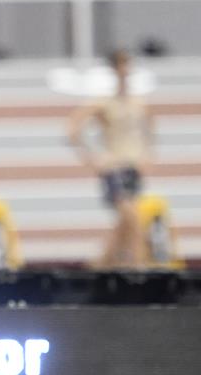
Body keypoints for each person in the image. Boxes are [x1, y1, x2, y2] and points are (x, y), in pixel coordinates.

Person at [67, 48, 157, 267]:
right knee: (133, 219)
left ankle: (99, 266)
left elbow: (149, 130)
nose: (126, 70)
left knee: (123, 226)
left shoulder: (137, 103)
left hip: (132, 166)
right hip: (115, 166)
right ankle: (138, 267)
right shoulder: (104, 102)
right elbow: (74, 127)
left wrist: (147, 155)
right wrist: (92, 158)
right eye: (122, 65)